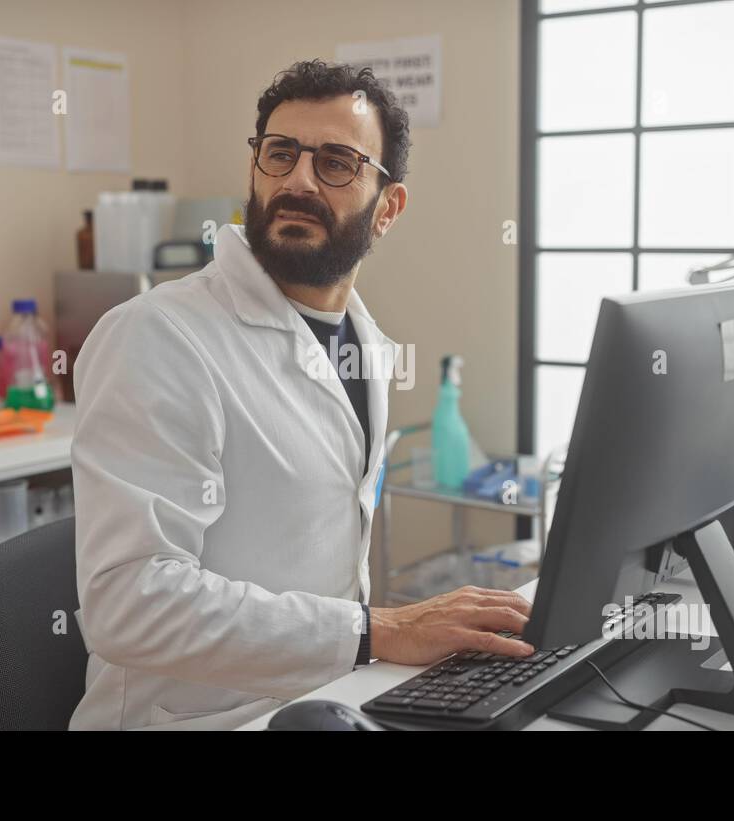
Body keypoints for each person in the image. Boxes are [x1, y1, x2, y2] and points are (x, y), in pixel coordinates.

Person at [70, 59, 533, 730]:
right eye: (279, 154)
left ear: (389, 207)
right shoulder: (156, 337)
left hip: (322, 702)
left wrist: (372, 645)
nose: (297, 181)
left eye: (337, 163)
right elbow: (126, 602)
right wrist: (377, 631)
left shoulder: (363, 338)